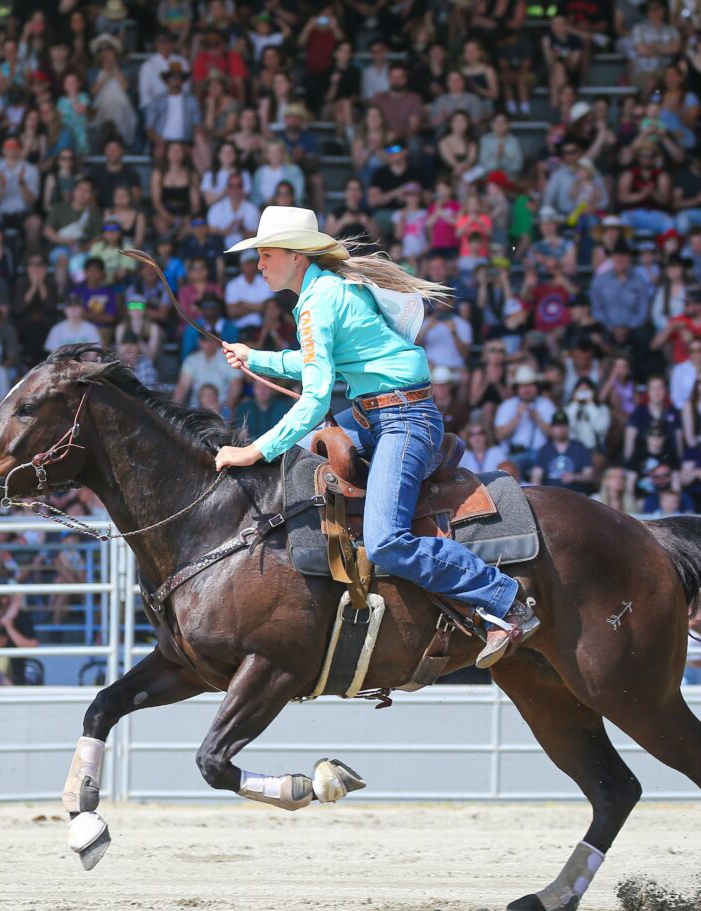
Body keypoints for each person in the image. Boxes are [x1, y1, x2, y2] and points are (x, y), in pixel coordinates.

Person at [215, 206, 539, 669]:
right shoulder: (325, 291)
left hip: (403, 421)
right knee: (305, 470)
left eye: (266, 254)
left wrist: (254, 450)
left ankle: (504, 600)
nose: (259, 265)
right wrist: (258, 357)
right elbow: (312, 363)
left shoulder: (317, 301)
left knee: (386, 540)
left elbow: (313, 398)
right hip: (379, 415)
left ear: (297, 257)